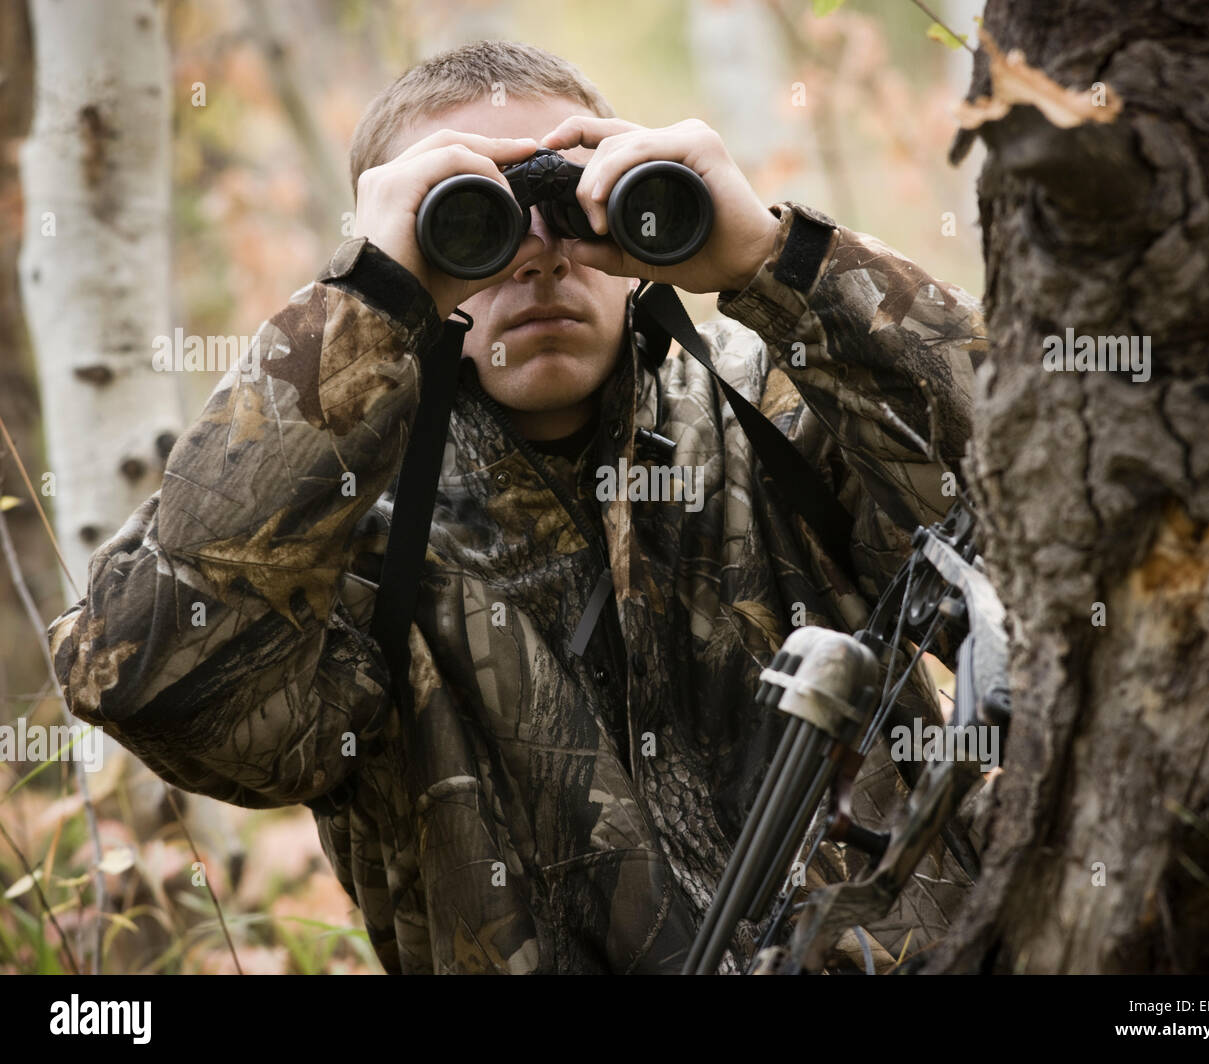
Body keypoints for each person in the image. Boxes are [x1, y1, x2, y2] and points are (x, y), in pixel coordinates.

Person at [48, 40, 986, 974]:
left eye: (574, 201)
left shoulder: (783, 419)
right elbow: (152, 675)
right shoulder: (352, 547)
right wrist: (363, 313)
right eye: (471, 220)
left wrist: (778, 260)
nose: (538, 255)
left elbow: (1038, 490)